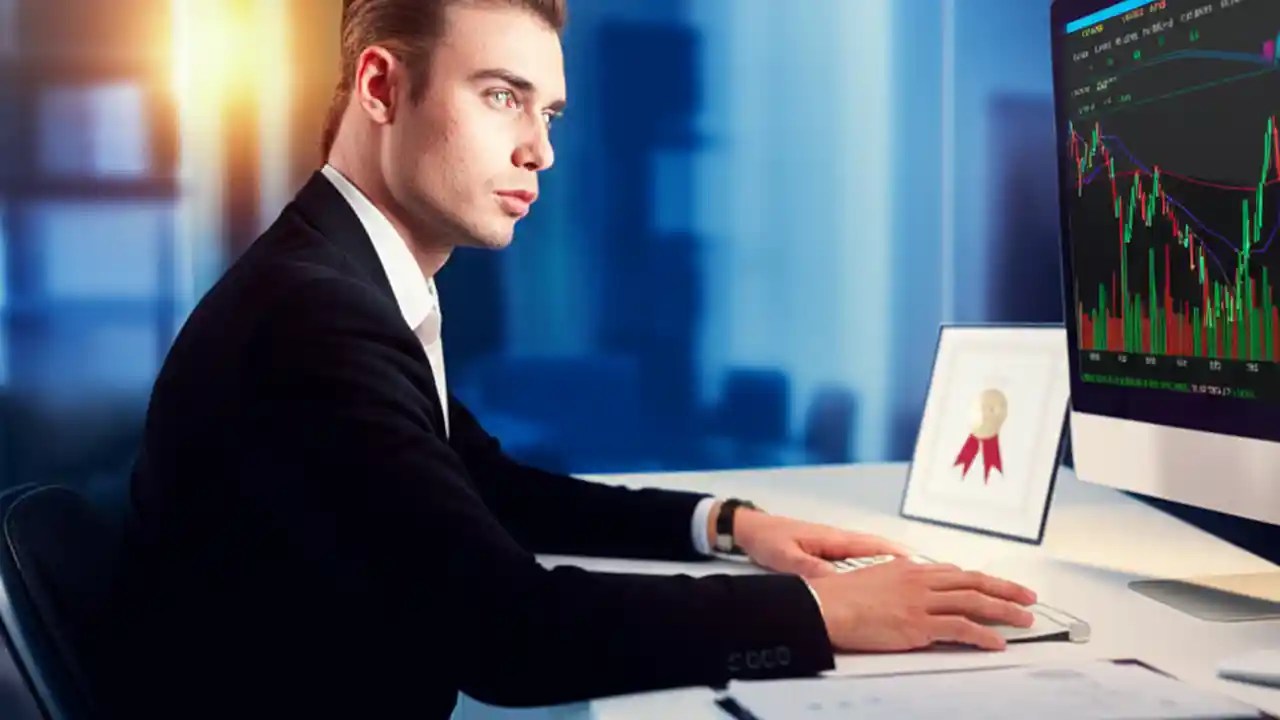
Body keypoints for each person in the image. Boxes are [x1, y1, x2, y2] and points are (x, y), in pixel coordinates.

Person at [103, 1, 1038, 717]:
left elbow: (484, 487)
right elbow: (510, 637)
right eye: (502, 96)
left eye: (549, 111)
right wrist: (824, 615)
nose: (540, 150)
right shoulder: (314, 318)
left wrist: (729, 523)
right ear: (382, 89)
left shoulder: (342, 274)